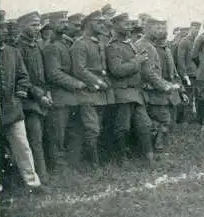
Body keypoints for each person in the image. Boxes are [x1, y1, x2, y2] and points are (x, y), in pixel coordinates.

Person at [0, 18, 49, 194]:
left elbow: (23, 76)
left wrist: (19, 92)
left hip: (12, 108)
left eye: (2, 29)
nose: (1, 32)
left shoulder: (12, 52)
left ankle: (32, 183)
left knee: (22, 146)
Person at [105, 13, 154, 166]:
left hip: (135, 92)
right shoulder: (112, 46)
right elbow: (117, 70)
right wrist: (136, 61)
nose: (128, 25)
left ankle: (149, 157)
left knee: (145, 125)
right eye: (124, 23)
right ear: (115, 25)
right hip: (123, 92)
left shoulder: (129, 44)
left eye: (128, 23)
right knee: (123, 127)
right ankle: (122, 158)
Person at [43, 11, 87, 171]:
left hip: (72, 97)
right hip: (59, 97)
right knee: (58, 135)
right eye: (60, 22)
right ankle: (59, 168)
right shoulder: (51, 47)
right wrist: (77, 84)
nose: (65, 25)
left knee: (75, 132)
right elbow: (54, 73)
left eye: (65, 21)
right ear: (51, 25)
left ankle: (73, 165)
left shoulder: (67, 44)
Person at [69, 10, 111, 169]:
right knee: (92, 129)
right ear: (89, 24)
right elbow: (79, 70)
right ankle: (93, 165)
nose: (102, 24)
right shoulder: (80, 44)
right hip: (87, 92)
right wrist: (98, 82)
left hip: (99, 93)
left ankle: (91, 162)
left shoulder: (98, 43)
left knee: (97, 128)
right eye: (98, 22)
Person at [16, 11, 53, 184]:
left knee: (46, 137)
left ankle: (46, 173)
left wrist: (48, 93)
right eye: (33, 25)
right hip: (28, 102)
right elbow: (23, 78)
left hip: (42, 98)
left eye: (38, 25)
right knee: (35, 140)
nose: (37, 28)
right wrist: (40, 96)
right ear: (23, 27)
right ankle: (41, 178)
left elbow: (43, 74)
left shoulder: (37, 45)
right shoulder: (18, 48)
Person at [136, 18, 180, 155]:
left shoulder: (152, 45)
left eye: (161, 28)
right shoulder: (145, 45)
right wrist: (164, 86)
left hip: (157, 88)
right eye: (156, 28)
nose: (159, 32)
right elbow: (148, 72)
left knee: (162, 120)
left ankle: (156, 149)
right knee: (163, 120)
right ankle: (156, 150)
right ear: (147, 29)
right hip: (152, 90)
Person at [176, 21, 201, 123]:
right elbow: (180, 59)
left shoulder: (198, 41)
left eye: (198, 29)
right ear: (191, 28)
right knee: (186, 96)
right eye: (195, 28)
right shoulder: (184, 41)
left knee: (198, 96)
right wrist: (184, 74)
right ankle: (182, 119)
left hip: (197, 73)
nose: (197, 30)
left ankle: (196, 118)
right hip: (188, 74)